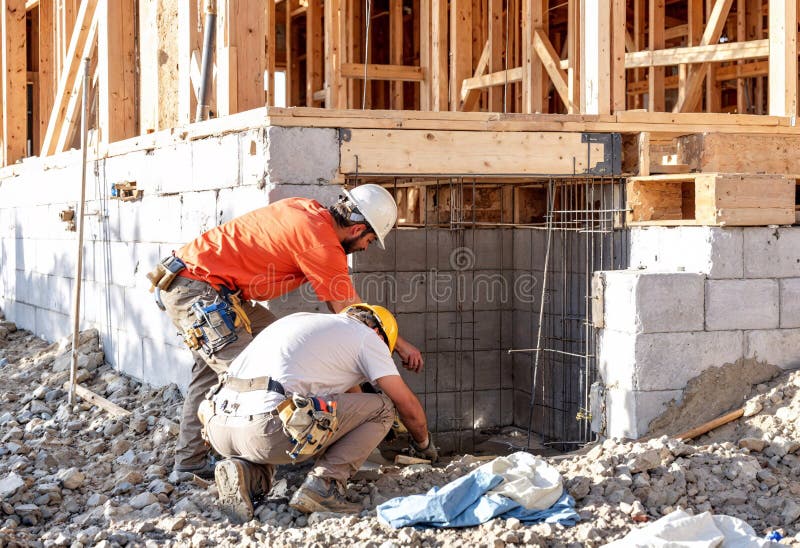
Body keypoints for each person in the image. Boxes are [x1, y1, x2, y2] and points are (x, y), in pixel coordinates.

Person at [146, 185, 425, 479]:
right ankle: (251, 473)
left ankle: (190, 463)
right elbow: (352, 314)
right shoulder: (321, 241)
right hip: (201, 291)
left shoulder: (306, 209)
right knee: (251, 383)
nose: (366, 247)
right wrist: (399, 346)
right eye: (369, 239)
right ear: (356, 229)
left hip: (209, 289)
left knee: (270, 344)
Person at [201, 304, 437, 522]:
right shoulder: (368, 338)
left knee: (289, 407)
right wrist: (424, 446)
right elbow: (407, 406)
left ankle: (248, 473)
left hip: (218, 427)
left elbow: (350, 400)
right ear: (379, 333)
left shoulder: (304, 323)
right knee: (384, 408)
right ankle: (325, 486)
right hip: (266, 430)